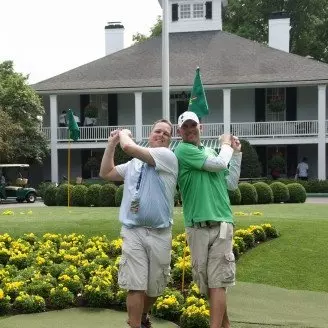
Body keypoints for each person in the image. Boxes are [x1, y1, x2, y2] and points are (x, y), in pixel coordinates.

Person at [99, 119, 178, 328]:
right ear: (150, 134)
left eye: (166, 134)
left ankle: (142, 316)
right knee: (135, 285)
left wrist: (123, 134)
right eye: (157, 131)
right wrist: (111, 144)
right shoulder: (134, 164)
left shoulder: (168, 157)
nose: (161, 135)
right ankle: (135, 324)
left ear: (169, 141)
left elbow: (128, 147)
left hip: (160, 232)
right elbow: (106, 173)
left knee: (155, 288)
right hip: (133, 231)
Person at [174, 111, 242, 328]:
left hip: (222, 223)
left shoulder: (212, 152)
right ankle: (226, 324)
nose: (190, 129)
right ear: (180, 132)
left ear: (200, 127)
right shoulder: (183, 150)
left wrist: (237, 154)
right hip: (197, 227)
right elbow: (220, 164)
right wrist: (226, 144)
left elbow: (230, 183)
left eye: (193, 125)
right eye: (185, 127)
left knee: (218, 282)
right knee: (205, 284)